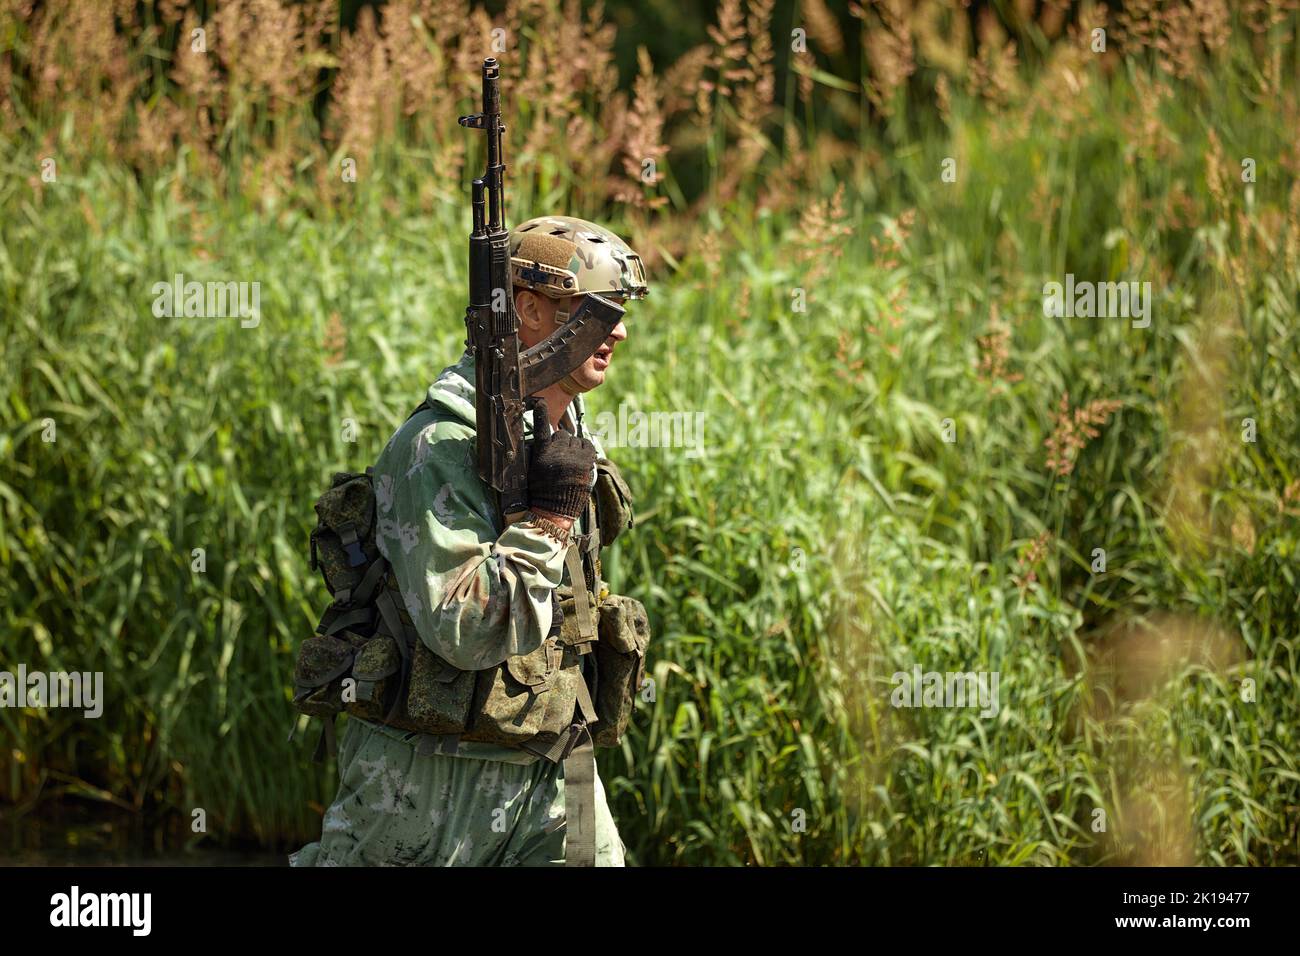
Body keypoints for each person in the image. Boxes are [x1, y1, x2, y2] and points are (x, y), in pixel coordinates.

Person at [291, 216, 649, 867]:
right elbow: (463, 629)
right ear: (528, 309)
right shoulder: (439, 446)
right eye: (594, 311)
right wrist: (546, 522)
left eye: (619, 311)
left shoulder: (570, 441)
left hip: (554, 758)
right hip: (429, 777)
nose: (618, 330)